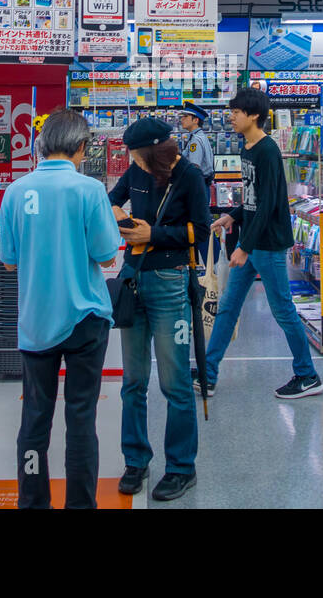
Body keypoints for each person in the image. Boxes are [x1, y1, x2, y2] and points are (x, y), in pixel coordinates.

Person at [0, 110, 121, 509]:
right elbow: (105, 256)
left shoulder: (15, 191)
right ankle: (80, 504)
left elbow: (9, 259)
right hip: (85, 319)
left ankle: (32, 502)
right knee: (81, 417)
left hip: (35, 320)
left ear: (42, 143)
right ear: (82, 147)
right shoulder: (89, 191)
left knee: (34, 418)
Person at [108, 116, 211, 502]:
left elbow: (200, 231)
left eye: (134, 152)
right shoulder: (135, 170)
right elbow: (112, 199)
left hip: (171, 282)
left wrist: (154, 233)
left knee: (175, 383)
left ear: (151, 150)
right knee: (132, 381)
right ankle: (135, 460)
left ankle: (182, 467)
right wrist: (121, 217)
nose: (130, 159)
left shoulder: (188, 175)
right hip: (133, 279)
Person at [198, 87, 323, 400]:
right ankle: (208, 374)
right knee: (227, 307)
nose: (231, 116)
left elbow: (269, 203)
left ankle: (307, 376)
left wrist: (244, 246)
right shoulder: (247, 147)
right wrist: (233, 215)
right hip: (253, 241)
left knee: (282, 310)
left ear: (253, 115)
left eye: (236, 111)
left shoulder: (267, 150)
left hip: (267, 244)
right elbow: (254, 199)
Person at [176, 102, 215, 191]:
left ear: (195, 120)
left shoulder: (196, 140)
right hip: (201, 184)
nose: (182, 120)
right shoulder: (199, 136)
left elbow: (194, 167)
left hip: (197, 186)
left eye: (185, 116)